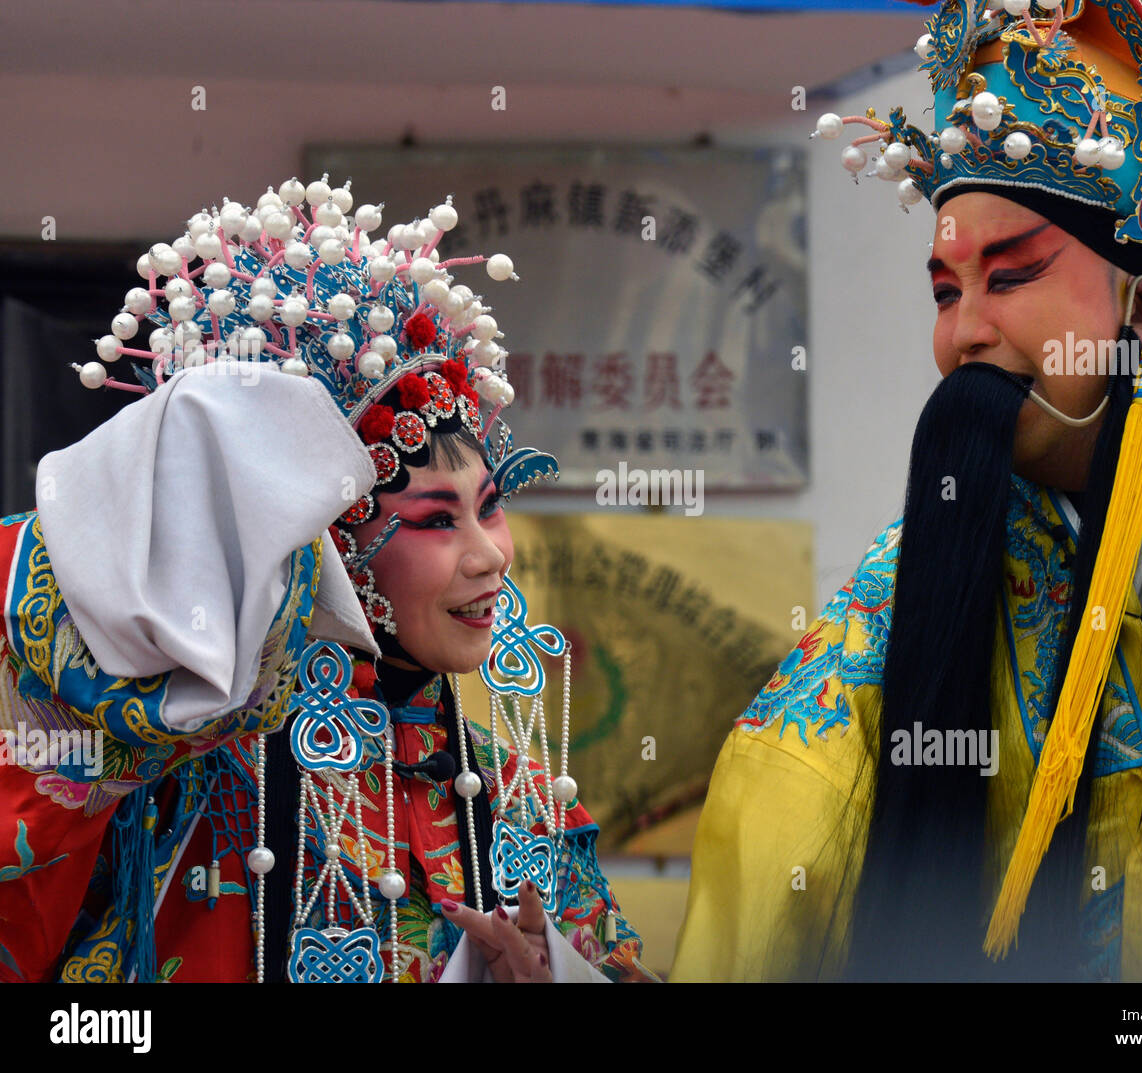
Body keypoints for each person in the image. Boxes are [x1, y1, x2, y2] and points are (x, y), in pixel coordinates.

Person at [673, 0, 1142, 983]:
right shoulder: (923, 575)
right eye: (943, 290)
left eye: (1009, 277)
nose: (962, 333)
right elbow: (773, 835)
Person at [0, 177, 653, 983]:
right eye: (436, 520)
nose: (489, 555)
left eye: (490, 507)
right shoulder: (187, 762)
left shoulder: (527, 799)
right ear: (330, 547)